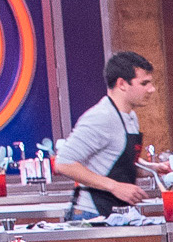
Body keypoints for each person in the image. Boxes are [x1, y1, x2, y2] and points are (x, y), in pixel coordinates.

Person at [58, 51, 158, 216]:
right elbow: (64, 163)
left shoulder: (130, 116)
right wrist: (115, 186)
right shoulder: (101, 117)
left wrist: (152, 168)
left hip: (117, 212)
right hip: (91, 214)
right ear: (122, 84)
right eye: (144, 83)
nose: (152, 89)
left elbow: (114, 154)